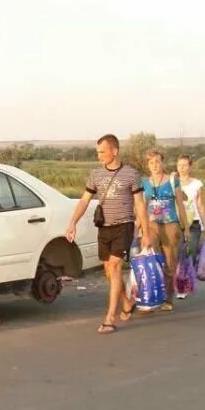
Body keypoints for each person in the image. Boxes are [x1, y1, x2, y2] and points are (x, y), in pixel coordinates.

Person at [66, 134, 150, 334]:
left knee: (114, 267)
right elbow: (84, 200)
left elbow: (139, 204)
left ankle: (109, 318)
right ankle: (127, 302)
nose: (99, 156)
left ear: (115, 150)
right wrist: (72, 223)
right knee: (108, 272)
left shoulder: (131, 174)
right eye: (98, 152)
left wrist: (145, 232)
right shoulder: (96, 175)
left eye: (102, 152)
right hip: (104, 227)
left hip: (124, 226)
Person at [141, 149, 189, 310]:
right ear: (148, 165)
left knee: (169, 262)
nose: (155, 165)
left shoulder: (172, 180)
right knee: (153, 261)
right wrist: (138, 227)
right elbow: (142, 206)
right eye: (151, 162)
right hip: (152, 226)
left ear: (162, 163)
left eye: (157, 161)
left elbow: (181, 205)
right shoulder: (145, 183)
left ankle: (168, 299)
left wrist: (186, 226)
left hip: (170, 225)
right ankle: (154, 295)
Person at [176, 154, 205, 298]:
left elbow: (200, 205)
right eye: (179, 165)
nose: (182, 168)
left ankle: (184, 286)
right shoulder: (173, 183)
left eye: (185, 165)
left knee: (190, 252)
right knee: (179, 253)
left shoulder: (196, 184)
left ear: (190, 166)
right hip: (178, 224)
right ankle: (180, 283)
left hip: (194, 224)